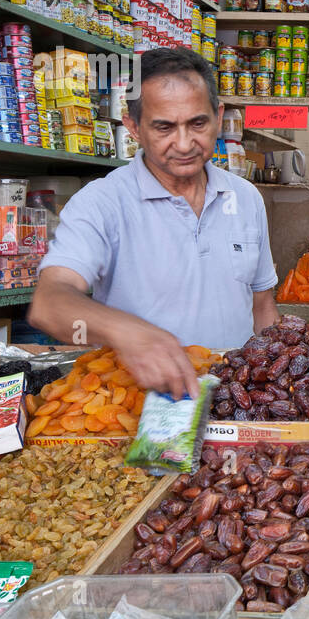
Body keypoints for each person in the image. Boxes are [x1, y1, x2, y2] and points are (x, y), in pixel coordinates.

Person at [29, 48, 279, 398]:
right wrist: (127, 332)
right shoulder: (102, 202)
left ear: (218, 116)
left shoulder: (246, 197)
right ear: (133, 126)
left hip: (233, 403)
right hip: (142, 408)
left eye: (198, 123)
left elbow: (262, 305)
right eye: (164, 127)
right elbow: (49, 303)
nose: (184, 143)